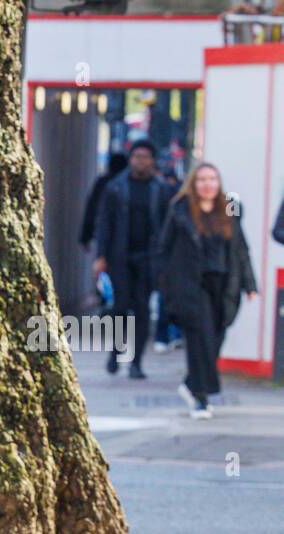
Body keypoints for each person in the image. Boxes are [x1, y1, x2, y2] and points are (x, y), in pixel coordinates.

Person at [155, 161, 258, 419]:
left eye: (212, 179)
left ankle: (191, 384)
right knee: (199, 339)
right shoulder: (180, 210)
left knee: (215, 338)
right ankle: (200, 397)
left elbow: (241, 249)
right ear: (193, 183)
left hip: (223, 285)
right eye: (202, 180)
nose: (207, 184)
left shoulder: (230, 210)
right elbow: (164, 248)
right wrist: (164, 282)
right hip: (192, 284)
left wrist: (250, 284)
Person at [93, 139, 176, 378]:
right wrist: (101, 255)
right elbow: (104, 223)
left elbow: (168, 226)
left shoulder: (161, 190)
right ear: (131, 159)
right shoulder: (116, 187)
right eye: (137, 156)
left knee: (141, 310)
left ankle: (136, 362)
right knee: (120, 308)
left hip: (149, 258)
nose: (141, 161)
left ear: (152, 161)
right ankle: (116, 352)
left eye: (146, 157)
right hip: (120, 257)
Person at [79, 151, 127, 250]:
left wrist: (85, 236)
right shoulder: (126, 185)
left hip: (101, 233)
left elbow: (91, 208)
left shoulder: (103, 183)